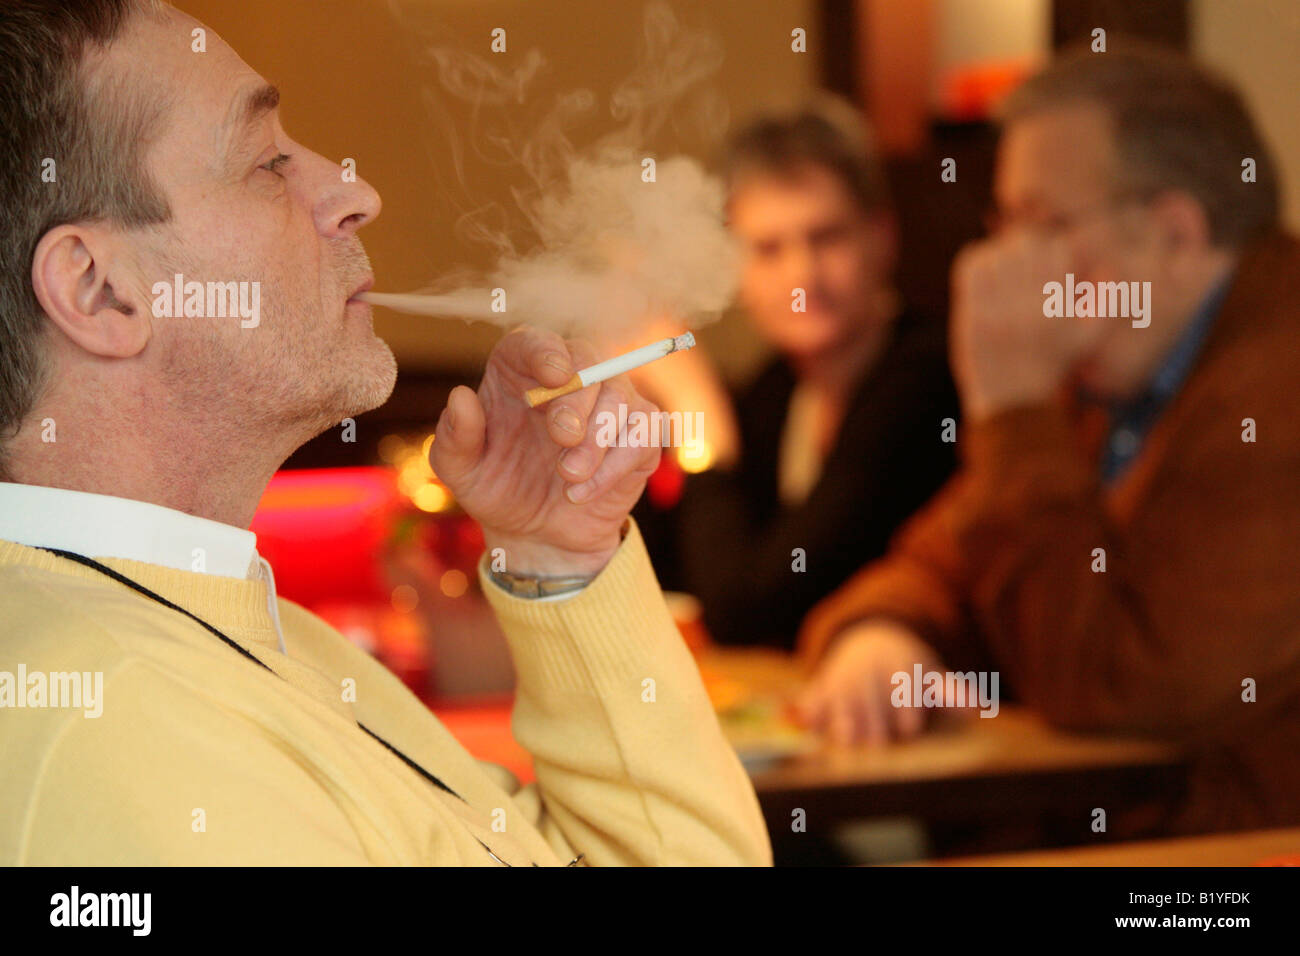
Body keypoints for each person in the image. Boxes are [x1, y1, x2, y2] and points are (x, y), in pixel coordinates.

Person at [0, 0, 770, 866]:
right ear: (99, 290)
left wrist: (560, 558)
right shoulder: (119, 733)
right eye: (266, 162)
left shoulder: (262, 635)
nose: (355, 192)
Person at [796, 43, 1300, 837]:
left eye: (1043, 224)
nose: (1002, 262)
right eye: (1006, 224)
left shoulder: (1276, 386)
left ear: (1172, 232)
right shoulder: (1111, 373)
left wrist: (1014, 402)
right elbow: (942, 561)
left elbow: (1122, 691)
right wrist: (885, 632)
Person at [633, 97, 959, 649]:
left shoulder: (928, 378)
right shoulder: (778, 390)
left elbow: (752, 615)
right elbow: (675, 583)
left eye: (826, 238)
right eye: (768, 249)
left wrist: (693, 407)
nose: (802, 274)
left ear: (882, 238)